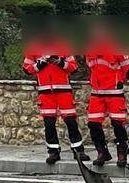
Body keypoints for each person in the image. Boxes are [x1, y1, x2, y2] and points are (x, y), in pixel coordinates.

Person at [21, 28, 83, 164]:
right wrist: (41, 63)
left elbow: (74, 67)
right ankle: (53, 151)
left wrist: (60, 62)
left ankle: (78, 150)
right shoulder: (33, 47)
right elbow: (27, 69)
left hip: (63, 91)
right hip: (45, 92)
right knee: (49, 123)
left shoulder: (63, 46)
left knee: (70, 120)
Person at [82, 21, 129, 168]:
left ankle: (122, 153)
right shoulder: (90, 48)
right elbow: (90, 67)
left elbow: (128, 68)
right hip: (97, 93)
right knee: (93, 123)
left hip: (114, 92)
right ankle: (102, 152)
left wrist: (119, 81)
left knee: (118, 124)